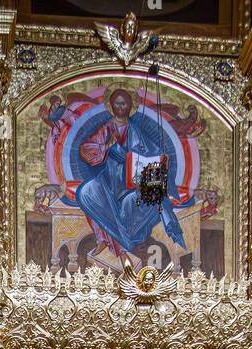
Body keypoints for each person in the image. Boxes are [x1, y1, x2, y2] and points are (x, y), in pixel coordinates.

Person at [75, 89, 186, 270]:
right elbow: (86, 149)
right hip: (109, 180)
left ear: (131, 106)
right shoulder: (107, 127)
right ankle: (110, 242)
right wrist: (106, 146)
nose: (120, 107)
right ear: (111, 106)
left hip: (130, 184)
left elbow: (153, 155)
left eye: (124, 103)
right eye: (117, 103)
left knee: (139, 201)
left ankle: (116, 244)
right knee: (85, 193)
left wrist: (161, 159)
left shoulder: (136, 131)